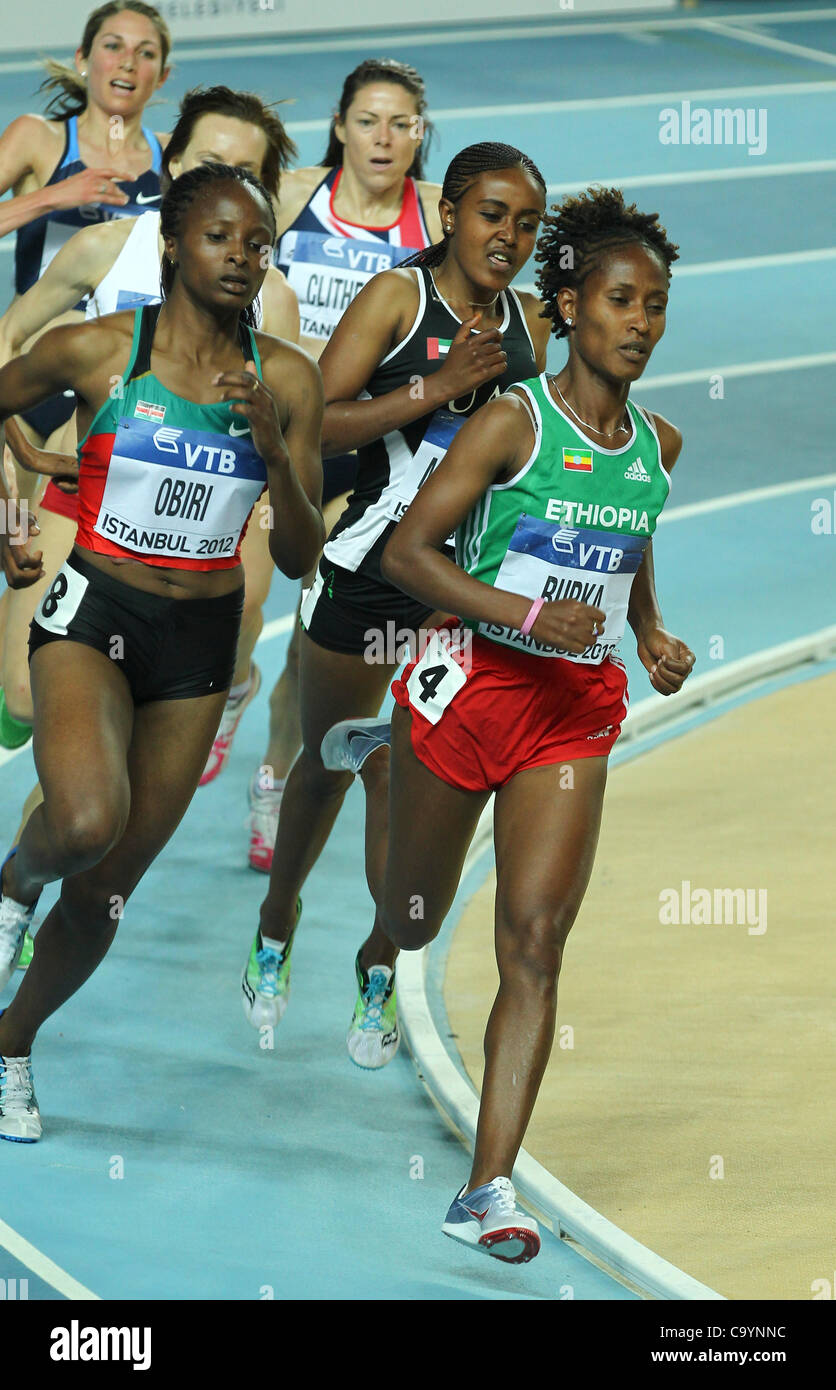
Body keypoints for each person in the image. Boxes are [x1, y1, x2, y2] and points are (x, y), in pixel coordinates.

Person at [367, 187, 695, 1261]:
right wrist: (521, 611)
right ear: (568, 306)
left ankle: (485, 1188)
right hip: (469, 689)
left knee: (534, 942)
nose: (639, 321)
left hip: (570, 710)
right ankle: (381, 778)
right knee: (411, 918)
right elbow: (406, 556)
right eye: (617, 300)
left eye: (653, 303)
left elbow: (625, 535)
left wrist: (644, 630)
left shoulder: (658, 442)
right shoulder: (513, 420)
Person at [0, 162, 324, 1142]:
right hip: (95, 611)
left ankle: (10, 1047)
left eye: (256, 244)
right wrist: (13, 505)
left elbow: (305, 554)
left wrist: (273, 450)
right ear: (175, 243)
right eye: (220, 237)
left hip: (199, 640)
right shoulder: (98, 351)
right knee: (87, 819)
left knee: (106, 892)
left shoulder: (288, 378)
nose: (239, 257)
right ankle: (15, 878)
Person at [244, 143, 550, 1072]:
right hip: (371, 572)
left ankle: (379, 959)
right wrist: (435, 389)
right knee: (325, 761)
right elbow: (314, 420)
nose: (510, 236)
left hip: (458, 596)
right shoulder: (397, 299)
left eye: (528, 223)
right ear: (450, 212)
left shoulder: (529, 323)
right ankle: (277, 915)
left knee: (422, 788)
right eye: (493, 214)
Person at [202, 59, 442, 880]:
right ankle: (232, 680)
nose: (383, 138)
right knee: (243, 596)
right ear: (339, 127)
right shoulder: (293, 196)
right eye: (367, 120)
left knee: (314, 635)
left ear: (420, 134)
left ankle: (272, 777)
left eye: (401, 123)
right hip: (277, 438)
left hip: (372, 454)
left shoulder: (437, 220)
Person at [0, 0, 171, 745]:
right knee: (13, 536)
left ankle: (31, 696)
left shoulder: (172, 161)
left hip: (110, 398)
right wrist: (54, 195)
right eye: (112, 47)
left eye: (143, 53)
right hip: (31, 374)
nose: (126, 64)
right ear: (83, 58)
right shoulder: (42, 139)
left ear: (162, 74)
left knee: (42, 563)